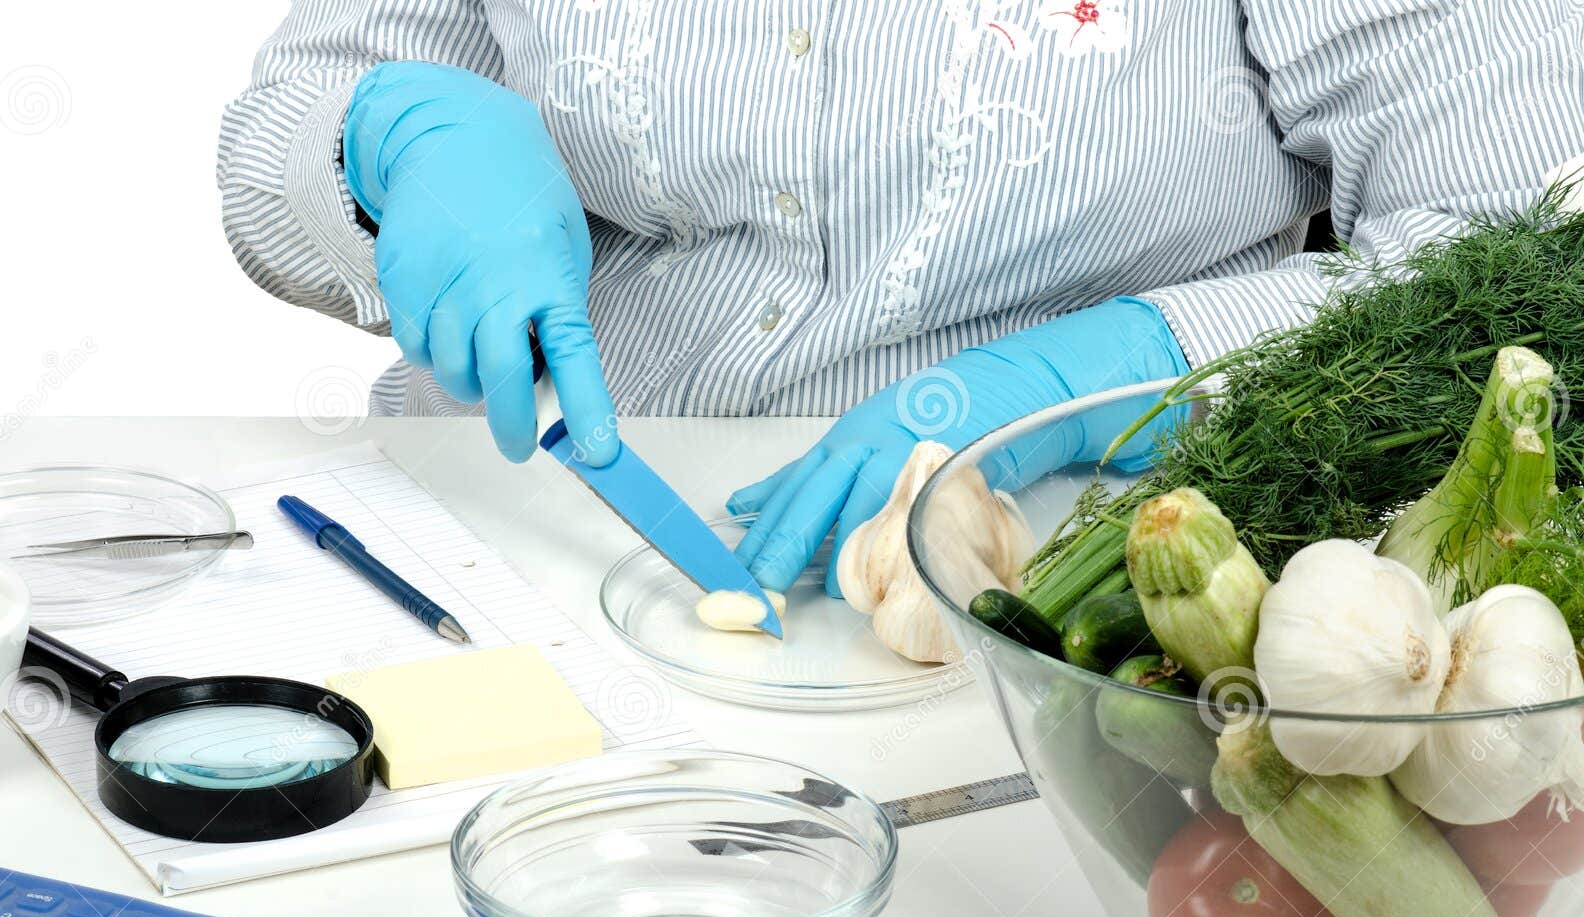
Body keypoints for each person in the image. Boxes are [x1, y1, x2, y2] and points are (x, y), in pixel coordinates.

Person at [219, 1, 1583, 595]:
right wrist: (380, 144)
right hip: (501, 552)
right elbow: (283, 130)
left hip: (1055, 596)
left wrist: (1112, 371)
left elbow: (1529, 239)